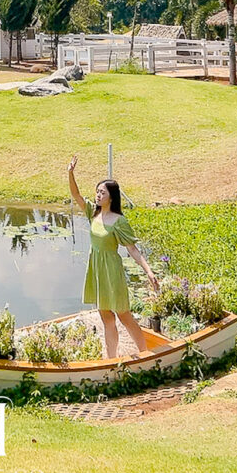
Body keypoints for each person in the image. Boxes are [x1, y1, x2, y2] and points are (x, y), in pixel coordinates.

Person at [67, 154, 159, 359]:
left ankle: (145, 353)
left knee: (123, 314)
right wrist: (70, 173)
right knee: (106, 316)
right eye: (97, 192)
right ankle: (111, 358)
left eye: (102, 192)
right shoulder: (93, 212)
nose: (98, 195)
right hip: (96, 268)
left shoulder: (119, 221)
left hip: (112, 269)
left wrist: (149, 272)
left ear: (111, 197)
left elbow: (133, 249)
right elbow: (76, 195)